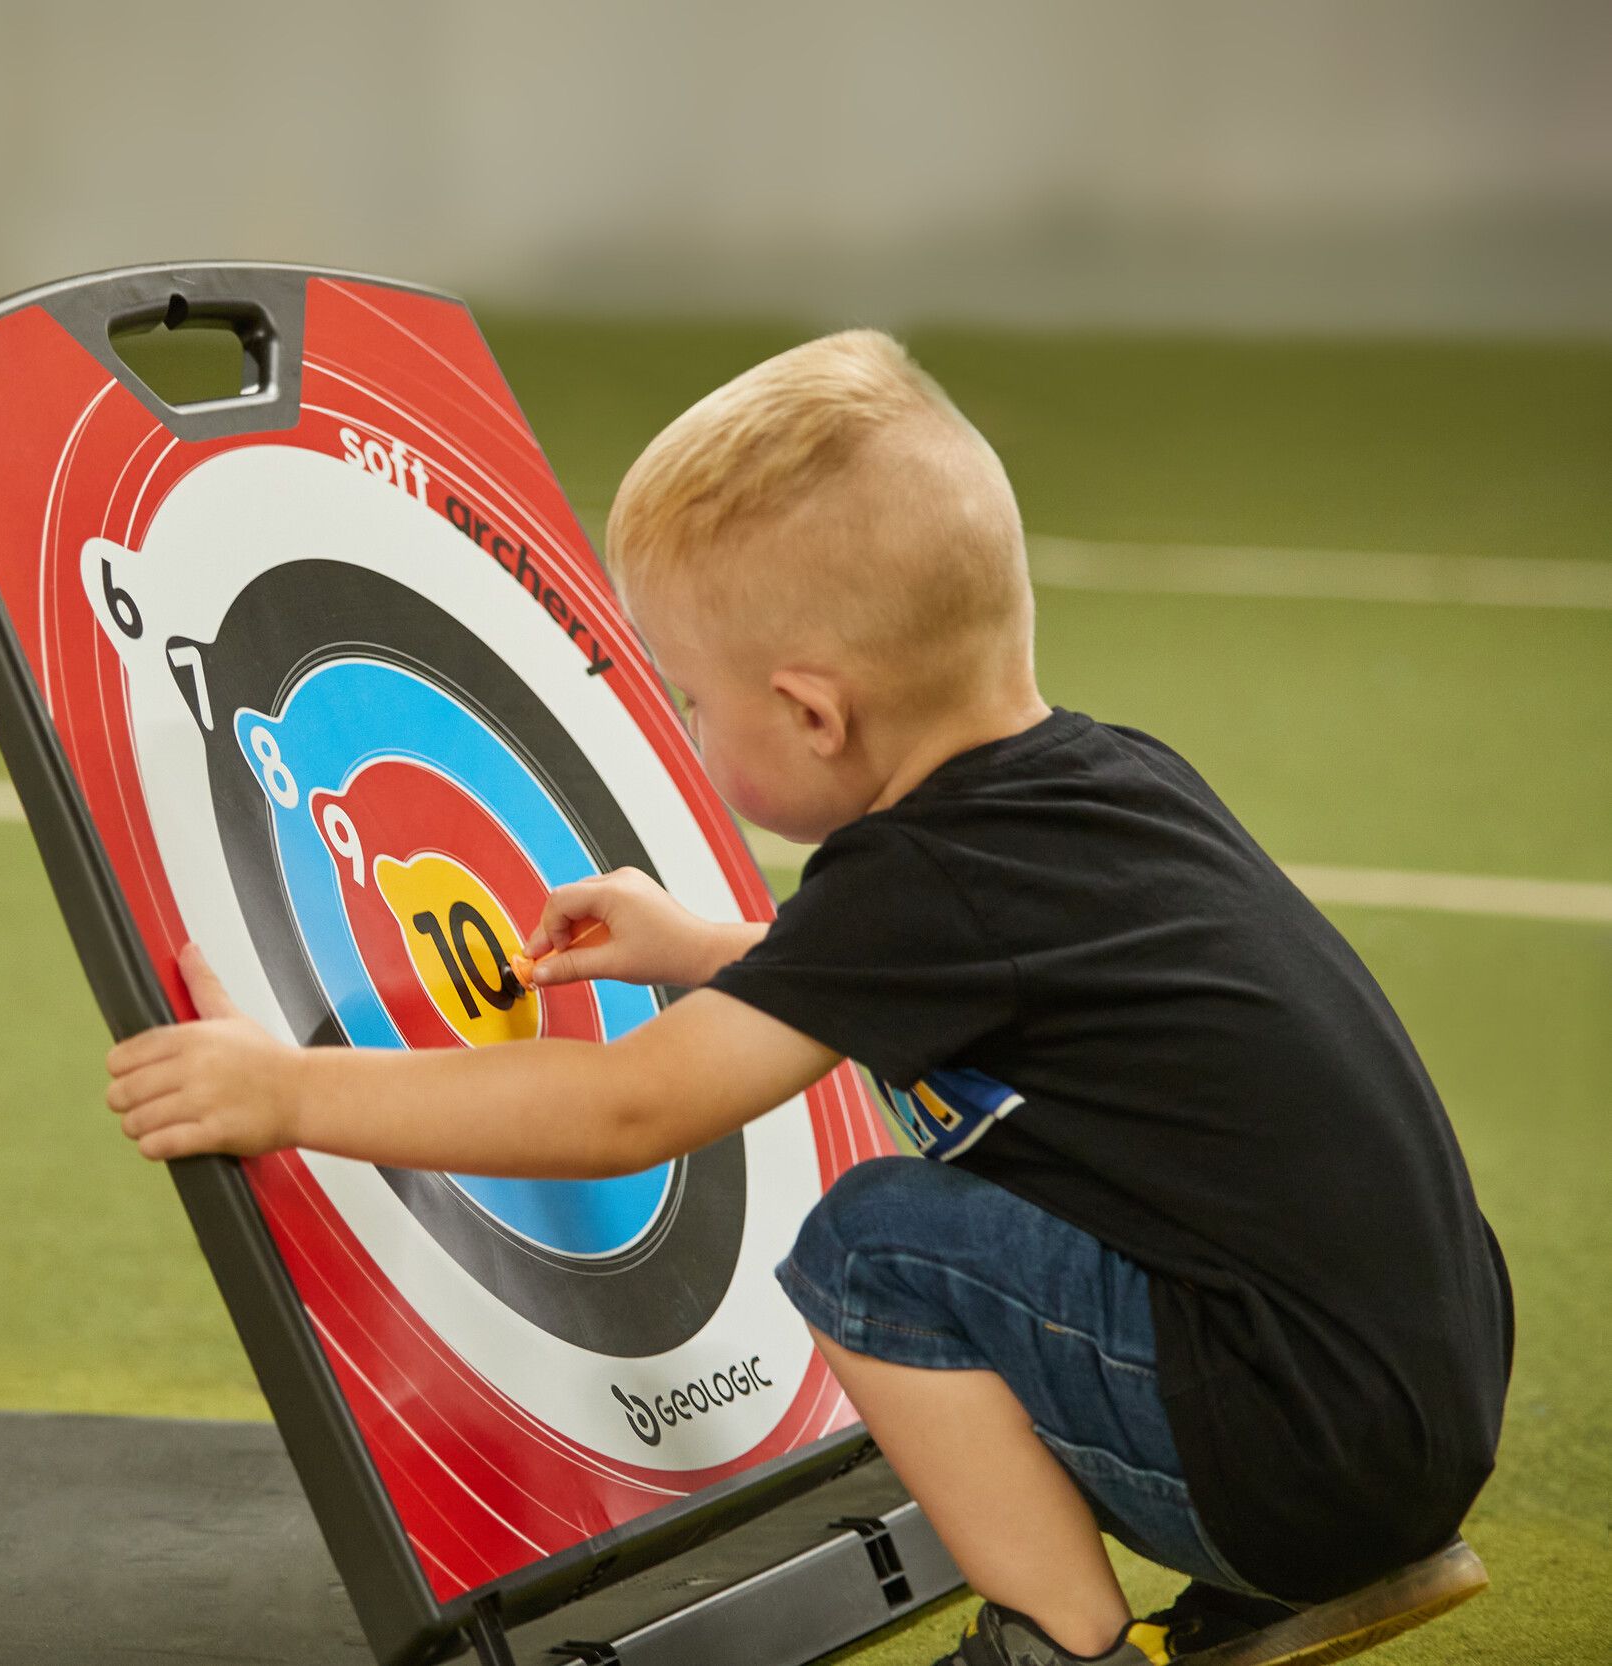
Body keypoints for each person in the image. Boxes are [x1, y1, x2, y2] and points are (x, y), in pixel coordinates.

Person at [101, 330, 1511, 1666]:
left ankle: (1058, 1637)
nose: (691, 733)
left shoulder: (926, 881)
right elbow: (929, 978)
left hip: (1293, 1451)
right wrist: (712, 949)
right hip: (1411, 1412)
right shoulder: (1099, 785)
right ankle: (1297, 1555)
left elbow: (626, 1104)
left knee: (870, 1246)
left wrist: (285, 1087)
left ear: (816, 712)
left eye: (696, 704)